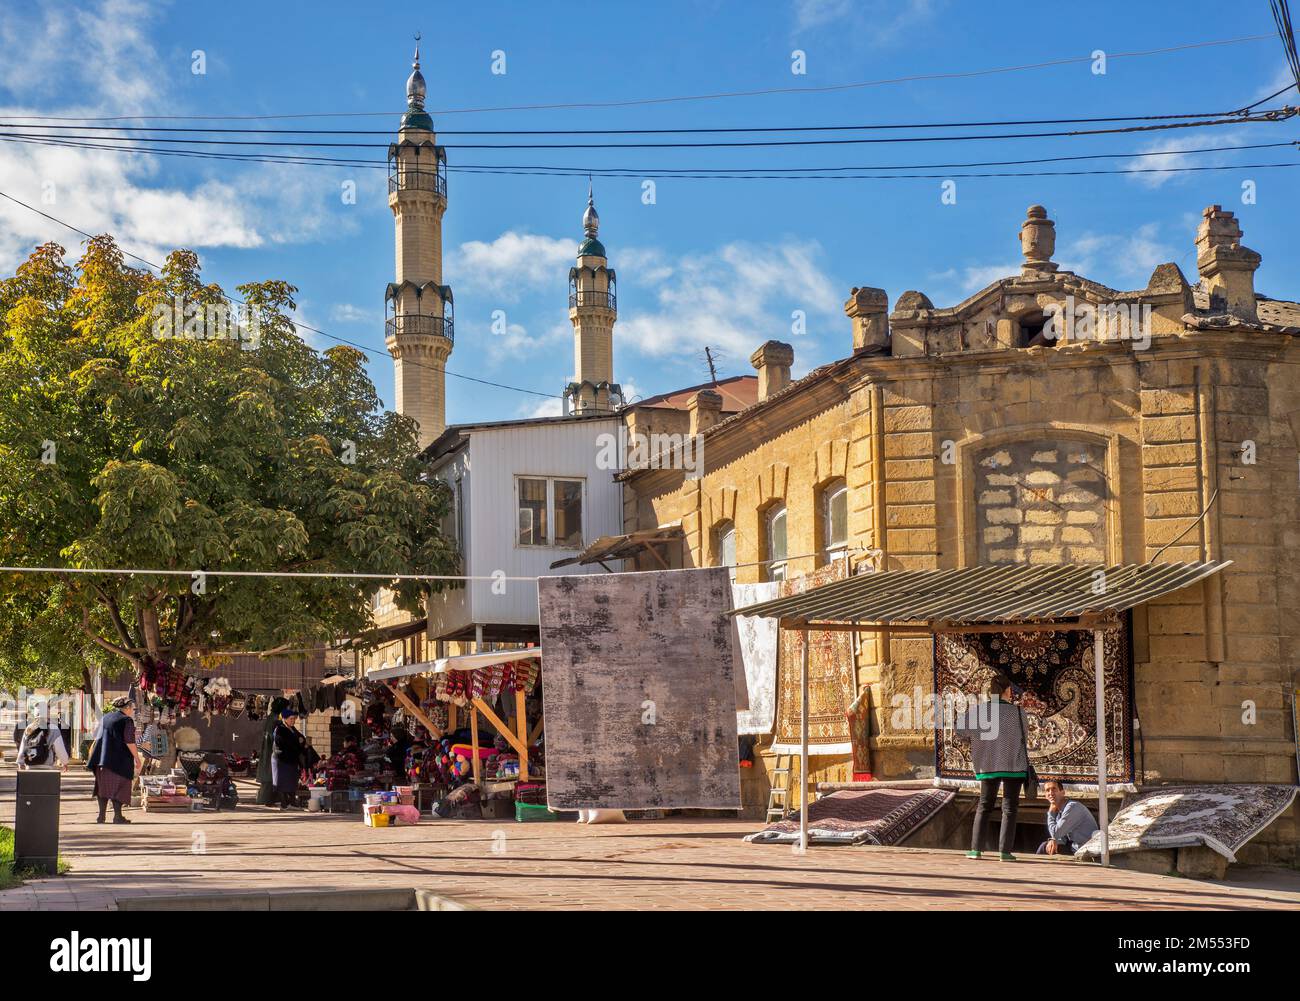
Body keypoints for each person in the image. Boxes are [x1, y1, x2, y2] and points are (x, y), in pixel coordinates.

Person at [957, 672, 1030, 862]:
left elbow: (960, 729)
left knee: (984, 805)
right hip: (1014, 764)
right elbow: (1025, 737)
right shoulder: (1018, 712)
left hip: (987, 763)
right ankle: (1005, 852)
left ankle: (976, 850)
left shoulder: (979, 711)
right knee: (1010, 808)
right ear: (1007, 691)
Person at [86, 696, 142, 824]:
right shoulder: (127, 720)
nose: (133, 710)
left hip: (101, 759)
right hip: (119, 760)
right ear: (127, 708)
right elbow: (129, 741)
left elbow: (95, 734)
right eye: (132, 708)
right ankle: (118, 817)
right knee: (120, 788)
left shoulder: (106, 718)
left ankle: (101, 817)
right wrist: (137, 758)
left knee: (102, 788)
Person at [1037, 778, 1099, 856]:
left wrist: (1051, 812)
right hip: (1074, 848)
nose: (1051, 793)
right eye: (1047, 790)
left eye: (1054, 789)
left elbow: (1055, 833)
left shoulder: (1072, 807)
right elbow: (1060, 837)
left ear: (1063, 793)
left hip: (1086, 850)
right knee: (1048, 846)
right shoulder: (1059, 811)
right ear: (1045, 796)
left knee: (1044, 847)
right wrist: (1053, 840)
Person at [16, 702, 70, 771]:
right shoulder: (53, 728)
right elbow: (59, 748)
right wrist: (64, 762)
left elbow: (23, 746)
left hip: (30, 764)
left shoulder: (29, 728)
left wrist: (20, 762)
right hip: (47, 765)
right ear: (47, 713)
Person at [271, 707, 307, 810]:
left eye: (294, 719)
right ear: (285, 719)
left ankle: (292, 803)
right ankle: (284, 804)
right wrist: (298, 742)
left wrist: (300, 741)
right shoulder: (280, 729)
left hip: (291, 759)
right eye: (291, 719)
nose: (293, 720)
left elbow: (301, 738)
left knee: (291, 781)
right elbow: (283, 743)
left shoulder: (292, 729)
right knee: (281, 782)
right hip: (281, 759)